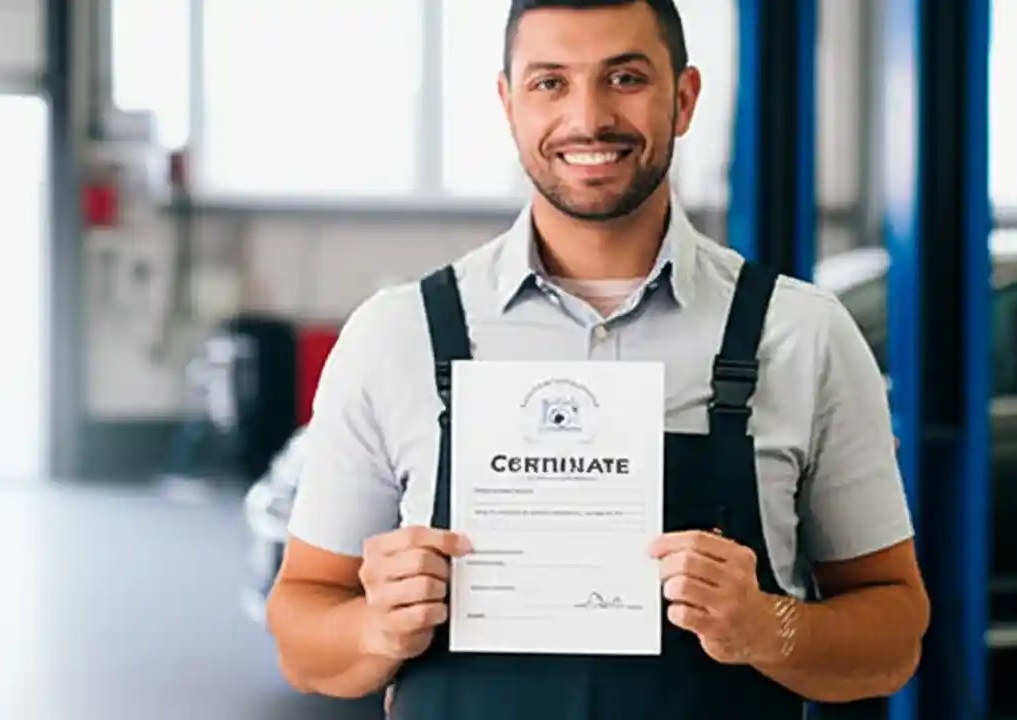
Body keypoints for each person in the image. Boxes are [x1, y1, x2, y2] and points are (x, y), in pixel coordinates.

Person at [265, 0, 930, 717]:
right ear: (508, 102)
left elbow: (893, 640)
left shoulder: (802, 336)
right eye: (550, 82)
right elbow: (303, 635)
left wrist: (769, 626)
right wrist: (376, 626)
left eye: (625, 78)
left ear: (684, 98)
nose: (588, 118)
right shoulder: (397, 338)